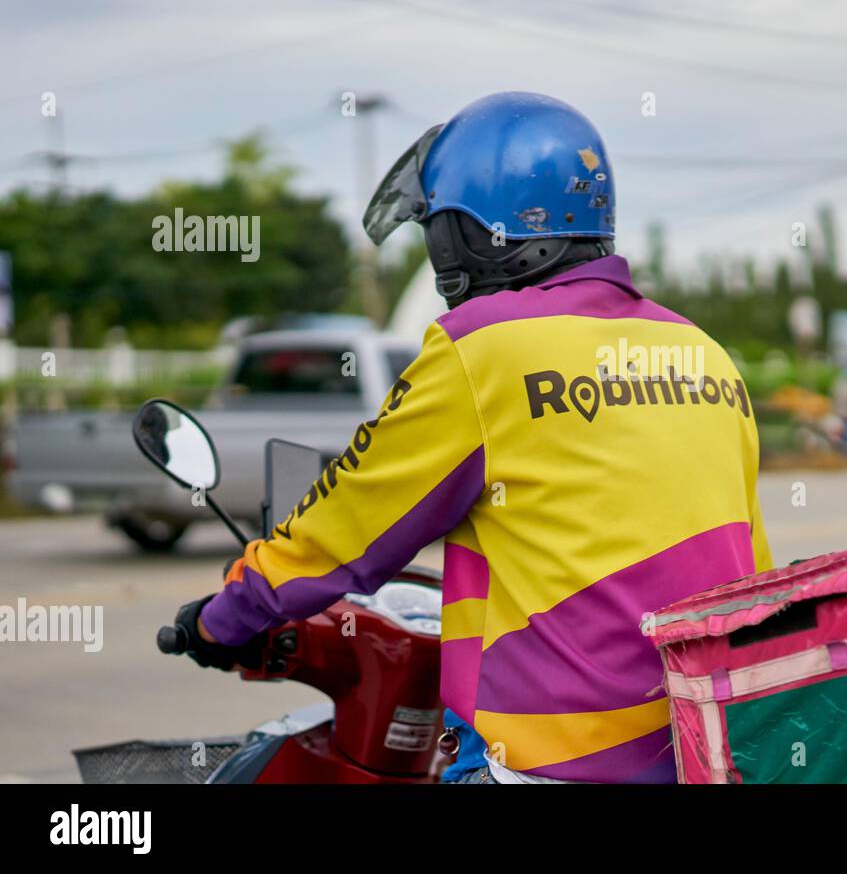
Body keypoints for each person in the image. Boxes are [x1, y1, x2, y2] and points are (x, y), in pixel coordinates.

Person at [169, 91, 773, 784]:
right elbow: (747, 562)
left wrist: (225, 615)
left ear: (473, 232)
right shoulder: (701, 352)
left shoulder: (481, 348)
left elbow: (347, 525)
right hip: (704, 748)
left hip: (549, 763)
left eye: (437, 226)